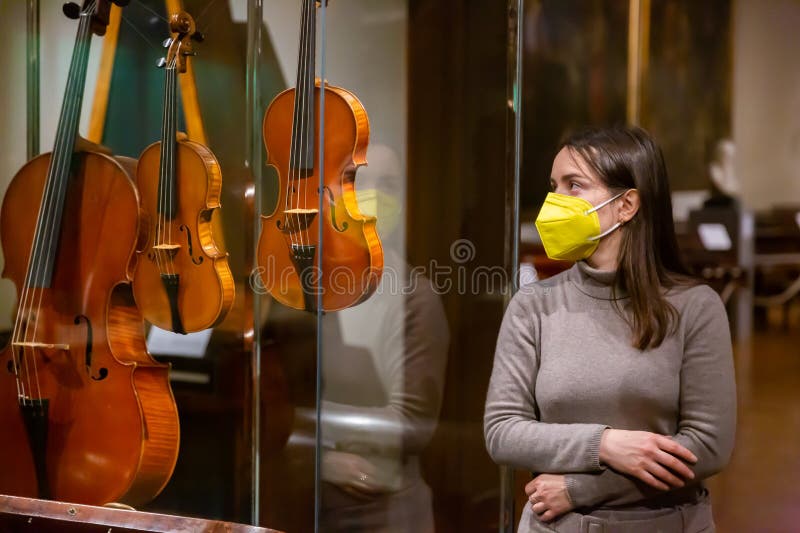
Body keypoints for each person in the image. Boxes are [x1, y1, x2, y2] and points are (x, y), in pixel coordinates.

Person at [484, 126, 736, 532]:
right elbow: (503, 432)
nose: (555, 201)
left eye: (574, 185)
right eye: (554, 186)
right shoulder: (532, 304)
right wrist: (603, 445)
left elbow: (708, 446)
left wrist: (581, 489)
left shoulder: (694, 307)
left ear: (627, 205)